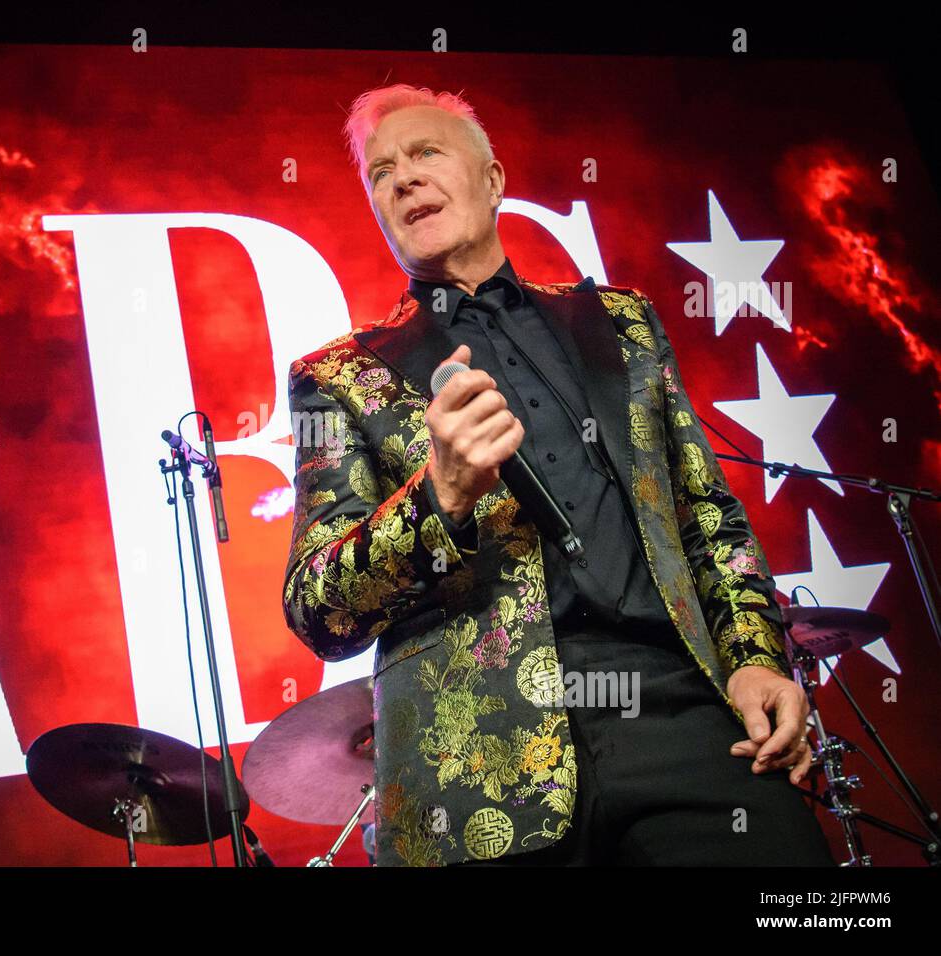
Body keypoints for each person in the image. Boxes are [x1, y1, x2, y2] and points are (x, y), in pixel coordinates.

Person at [281, 83, 833, 866]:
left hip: (677, 709)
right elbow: (318, 609)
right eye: (380, 172)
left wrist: (752, 655)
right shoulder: (335, 377)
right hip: (470, 764)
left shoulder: (623, 321)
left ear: (495, 180)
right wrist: (438, 498)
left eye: (425, 153)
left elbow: (708, 512)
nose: (401, 178)